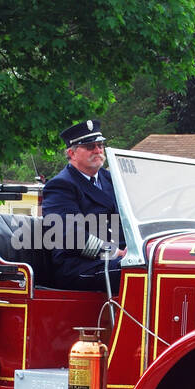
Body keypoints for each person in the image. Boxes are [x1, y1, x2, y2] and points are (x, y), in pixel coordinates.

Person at [40, 119, 127, 291]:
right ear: (71, 153)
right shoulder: (61, 186)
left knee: (158, 262)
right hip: (78, 266)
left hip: (112, 258)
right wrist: (115, 253)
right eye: (89, 147)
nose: (97, 150)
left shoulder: (111, 179)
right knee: (142, 272)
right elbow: (69, 236)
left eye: (100, 145)